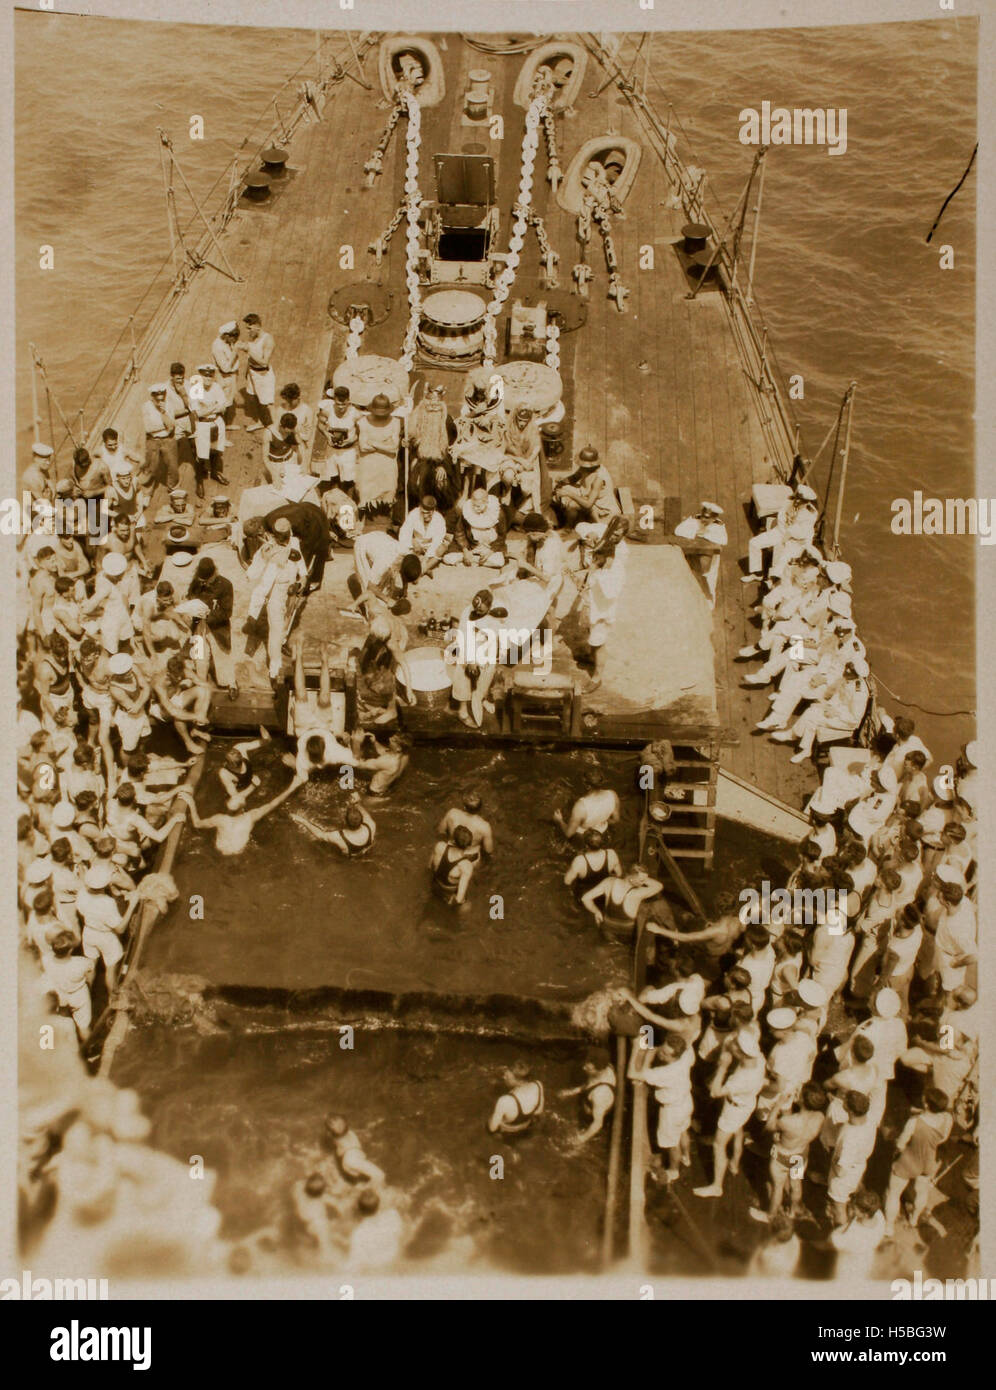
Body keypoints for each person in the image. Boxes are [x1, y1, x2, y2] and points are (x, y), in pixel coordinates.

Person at [694, 1029, 766, 1198]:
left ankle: (717, 1186)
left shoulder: (741, 1079)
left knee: (718, 1145)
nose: (730, 1047)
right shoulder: (759, 1059)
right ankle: (734, 1163)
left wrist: (723, 1067)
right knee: (738, 1130)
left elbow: (715, 1092)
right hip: (747, 1104)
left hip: (734, 1109)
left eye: (734, 1047)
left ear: (741, 1053)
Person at [172, 773, 305, 856]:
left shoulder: (220, 819)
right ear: (243, 808)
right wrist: (293, 786)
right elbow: (274, 803)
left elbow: (197, 823)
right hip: (240, 850)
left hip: (221, 850)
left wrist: (191, 802)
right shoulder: (251, 817)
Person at [751, 1081, 829, 1223]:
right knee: (796, 1184)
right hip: (800, 1156)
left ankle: (771, 1215)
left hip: (782, 1157)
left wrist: (778, 1104)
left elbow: (769, 1127)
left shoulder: (788, 1121)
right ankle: (794, 1210)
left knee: (778, 1187)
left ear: (803, 1100)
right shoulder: (820, 1117)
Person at [244, 516, 308, 681]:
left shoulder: (294, 543)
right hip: (275, 595)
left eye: (285, 536)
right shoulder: (267, 549)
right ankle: (275, 670)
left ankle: (282, 642)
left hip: (291, 592)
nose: (283, 540)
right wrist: (265, 559)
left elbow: (303, 572)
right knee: (276, 630)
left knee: (287, 622)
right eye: (280, 537)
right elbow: (251, 574)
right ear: (275, 535)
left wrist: (300, 584)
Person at [883, 1088, 953, 1234]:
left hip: (909, 1161)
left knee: (893, 1193)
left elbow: (901, 1144)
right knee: (922, 1191)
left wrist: (897, 1148)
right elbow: (943, 1138)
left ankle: (889, 1227)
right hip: (929, 1162)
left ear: (927, 1105)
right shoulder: (947, 1119)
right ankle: (914, 1219)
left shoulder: (914, 1122)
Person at [629, 1034, 694, 1179]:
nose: (661, 1053)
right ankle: (686, 1157)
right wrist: (653, 1049)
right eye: (662, 1049)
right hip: (685, 1102)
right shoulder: (686, 1056)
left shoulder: (666, 1073)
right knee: (683, 1131)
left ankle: (673, 1171)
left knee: (672, 1143)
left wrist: (635, 1048)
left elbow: (632, 1073)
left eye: (665, 1053)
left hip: (671, 1111)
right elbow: (687, 1042)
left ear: (674, 1056)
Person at [186, 555, 237, 700]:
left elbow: (227, 612)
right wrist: (191, 606)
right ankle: (200, 683)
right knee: (199, 654)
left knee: (222, 655)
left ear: (213, 575)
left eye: (205, 581)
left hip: (216, 627)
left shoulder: (225, 585)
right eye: (201, 580)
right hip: (198, 624)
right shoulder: (197, 581)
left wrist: (208, 615)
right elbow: (190, 594)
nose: (203, 583)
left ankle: (231, 684)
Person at [581, 862, 662, 935]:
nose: (644, 882)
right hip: (626, 933)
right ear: (631, 878)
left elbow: (585, 898)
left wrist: (596, 911)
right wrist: (645, 878)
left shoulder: (609, 882)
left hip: (607, 929)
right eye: (642, 880)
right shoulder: (639, 893)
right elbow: (659, 886)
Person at [673, 501, 728, 607]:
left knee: (709, 578)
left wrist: (705, 534)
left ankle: (709, 601)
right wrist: (695, 533)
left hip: (709, 556)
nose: (703, 520)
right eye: (703, 516)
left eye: (707, 518)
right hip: (693, 554)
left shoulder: (718, 525)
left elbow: (724, 540)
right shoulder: (695, 520)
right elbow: (678, 531)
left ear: (714, 518)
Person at [551, 446, 620, 527]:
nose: (583, 467)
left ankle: (568, 527)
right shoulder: (586, 468)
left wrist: (569, 494)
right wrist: (562, 481)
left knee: (572, 505)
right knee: (562, 489)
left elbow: (588, 504)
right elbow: (574, 478)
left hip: (602, 509)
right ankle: (572, 518)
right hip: (588, 497)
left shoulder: (599, 478)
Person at [356, 393, 401, 513]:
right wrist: (385, 444)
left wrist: (374, 443)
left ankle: (387, 512)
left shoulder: (395, 422)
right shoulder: (363, 422)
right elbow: (363, 447)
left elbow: (394, 448)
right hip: (368, 459)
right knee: (365, 487)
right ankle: (363, 511)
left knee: (390, 487)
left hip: (387, 460)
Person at [292, 795, 376, 857]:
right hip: (366, 854)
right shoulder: (371, 825)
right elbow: (364, 813)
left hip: (347, 860)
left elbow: (320, 835)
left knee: (319, 841)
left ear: (344, 821)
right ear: (362, 819)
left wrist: (302, 820)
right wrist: (357, 802)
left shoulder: (338, 837)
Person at [190, 361, 229, 491]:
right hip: (202, 424)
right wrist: (214, 406)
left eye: (210, 376)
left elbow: (223, 407)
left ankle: (215, 472)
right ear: (200, 376)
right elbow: (198, 413)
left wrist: (209, 408)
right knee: (201, 454)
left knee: (216, 450)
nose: (208, 379)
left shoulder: (216, 387)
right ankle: (199, 481)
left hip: (217, 421)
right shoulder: (195, 390)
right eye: (205, 376)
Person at [447, 487, 508, 569]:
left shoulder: (497, 513)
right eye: (473, 505)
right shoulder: (467, 511)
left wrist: (490, 551)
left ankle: (475, 560)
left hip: (489, 547)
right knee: (448, 558)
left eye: (478, 506)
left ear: (486, 502)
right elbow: (459, 532)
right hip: (471, 545)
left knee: (499, 561)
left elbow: (502, 536)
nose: (475, 508)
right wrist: (465, 551)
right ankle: (474, 559)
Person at [554, 765, 621, 840]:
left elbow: (568, 834)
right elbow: (615, 820)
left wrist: (559, 820)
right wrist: (599, 821)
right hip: (602, 832)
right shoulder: (612, 795)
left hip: (583, 837)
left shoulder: (581, 806)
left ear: (587, 786)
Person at [559, 1059, 616, 1144]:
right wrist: (571, 1092)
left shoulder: (601, 1094)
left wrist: (580, 1139)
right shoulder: (606, 1068)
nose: (584, 1068)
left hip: (591, 1119)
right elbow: (590, 1084)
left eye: (588, 1068)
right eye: (585, 1065)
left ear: (599, 1071)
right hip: (591, 1103)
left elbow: (598, 1124)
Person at [316, 383, 360, 491]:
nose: (341, 407)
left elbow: (361, 432)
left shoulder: (355, 413)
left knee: (349, 481)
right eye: (338, 404)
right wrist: (327, 435)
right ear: (334, 399)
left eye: (344, 404)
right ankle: (333, 500)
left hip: (348, 451)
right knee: (331, 479)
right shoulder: (328, 409)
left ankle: (348, 503)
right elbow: (320, 424)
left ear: (348, 400)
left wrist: (352, 440)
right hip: (332, 450)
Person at [323, 1114, 385, 1185]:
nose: (339, 1125)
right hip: (351, 1160)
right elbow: (379, 1176)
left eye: (340, 1122)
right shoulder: (339, 1140)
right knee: (379, 1175)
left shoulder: (349, 1133)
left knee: (369, 1177)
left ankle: (367, 1186)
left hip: (353, 1161)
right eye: (334, 1125)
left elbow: (359, 1133)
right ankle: (371, 1185)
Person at [240, 312, 276, 431]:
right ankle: (261, 421)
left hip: (263, 376)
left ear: (257, 326)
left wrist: (248, 350)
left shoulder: (268, 340)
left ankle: (275, 429)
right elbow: (251, 358)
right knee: (254, 398)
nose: (247, 331)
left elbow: (264, 362)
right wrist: (247, 372)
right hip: (252, 373)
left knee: (268, 403)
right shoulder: (253, 336)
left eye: (249, 328)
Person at [487, 1064, 544, 1135]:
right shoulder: (538, 1085)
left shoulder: (504, 1101)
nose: (504, 1077)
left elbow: (492, 1128)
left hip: (508, 1132)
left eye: (507, 1076)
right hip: (526, 1127)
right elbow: (538, 1112)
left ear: (518, 1080)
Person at [142, 382, 178, 493]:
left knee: (173, 466)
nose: (160, 401)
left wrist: (163, 413)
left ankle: (173, 487)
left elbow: (171, 427)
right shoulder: (146, 406)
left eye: (162, 399)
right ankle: (146, 489)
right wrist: (165, 426)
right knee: (151, 467)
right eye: (157, 399)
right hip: (153, 440)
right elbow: (148, 428)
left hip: (168, 439)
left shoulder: (169, 405)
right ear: (152, 397)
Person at [397, 495, 447, 576]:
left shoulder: (439, 519)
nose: (425, 516)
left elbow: (436, 542)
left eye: (428, 513)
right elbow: (404, 532)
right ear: (420, 508)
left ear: (434, 510)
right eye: (423, 512)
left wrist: (426, 558)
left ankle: (421, 571)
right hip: (416, 546)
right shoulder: (414, 513)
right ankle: (425, 569)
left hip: (430, 547)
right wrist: (412, 541)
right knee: (401, 550)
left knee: (442, 548)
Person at [430, 823, 479, 906]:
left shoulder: (439, 846)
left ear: (453, 839)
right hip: (448, 895)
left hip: (434, 886)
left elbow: (429, 867)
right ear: (468, 846)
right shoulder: (465, 866)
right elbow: (459, 899)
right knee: (467, 906)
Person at [438, 790, 494, 857]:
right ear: (479, 808)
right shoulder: (484, 826)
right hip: (468, 858)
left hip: (449, 852)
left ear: (464, 806)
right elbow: (488, 851)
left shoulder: (452, 813)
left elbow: (440, 831)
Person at [564, 828, 621, 892]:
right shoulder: (611, 853)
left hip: (585, 893)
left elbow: (567, 881)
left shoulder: (579, 861)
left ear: (586, 846)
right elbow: (619, 874)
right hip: (604, 890)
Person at [212, 322, 241, 426]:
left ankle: (226, 425)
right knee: (222, 403)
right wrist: (234, 352)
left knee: (229, 401)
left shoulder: (227, 342)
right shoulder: (217, 346)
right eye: (234, 337)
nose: (235, 340)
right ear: (227, 335)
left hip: (231, 376)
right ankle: (220, 428)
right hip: (224, 377)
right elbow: (225, 368)